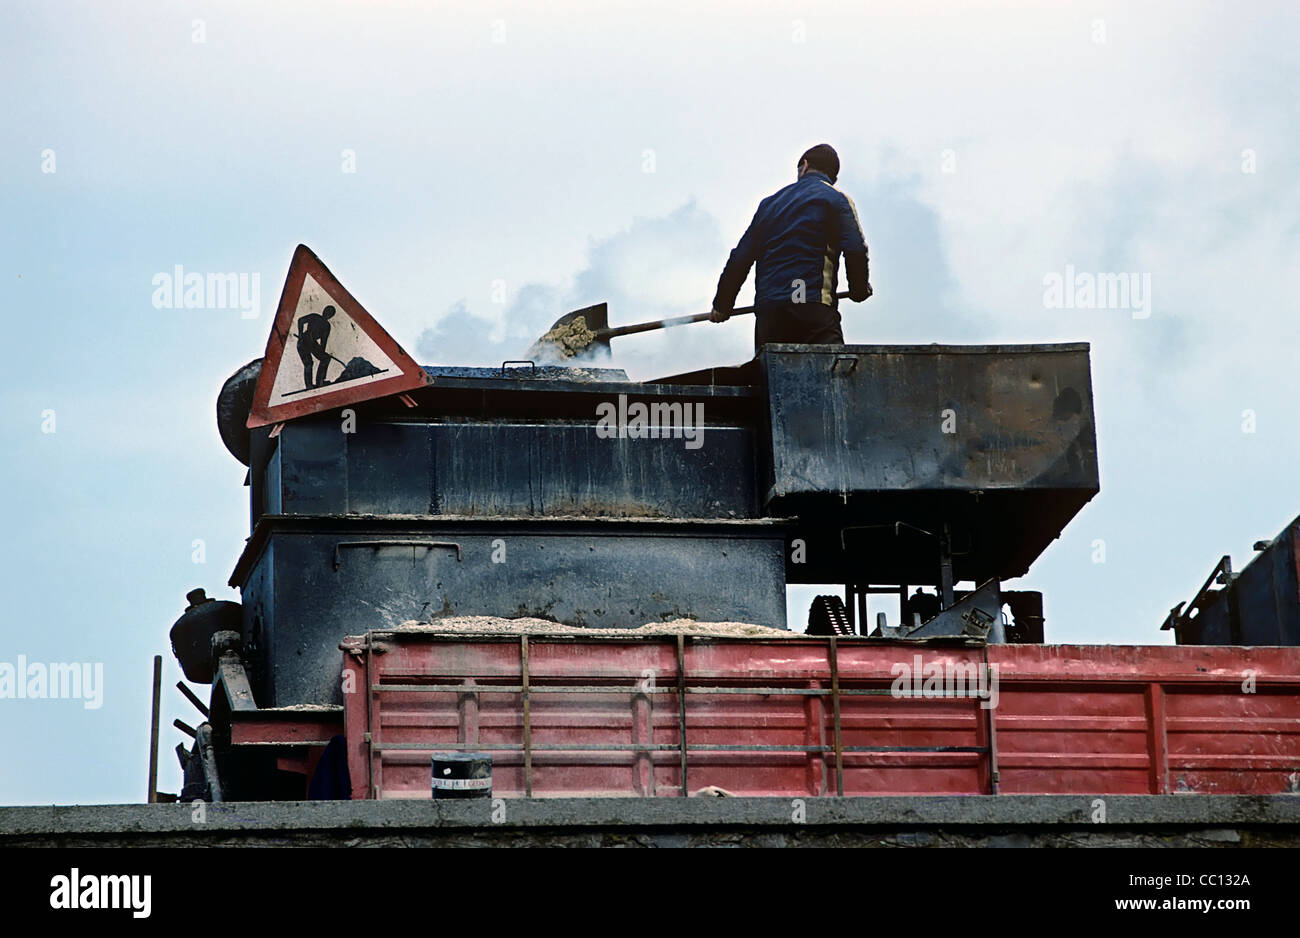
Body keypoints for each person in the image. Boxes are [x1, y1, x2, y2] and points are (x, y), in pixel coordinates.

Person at [710, 144, 871, 352]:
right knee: (831, 376)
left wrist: (722, 305)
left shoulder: (768, 205)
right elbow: (856, 249)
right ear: (833, 177)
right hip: (811, 305)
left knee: (775, 378)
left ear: (804, 166)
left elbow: (740, 259)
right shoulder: (836, 199)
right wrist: (859, 290)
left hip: (770, 314)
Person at [296, 305, 336, 389]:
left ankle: (320, 381)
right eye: (327, 311)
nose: (327, 314)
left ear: (331, 316)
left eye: (329, 313)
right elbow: (301, 320)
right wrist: (300, 334)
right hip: (304, 341)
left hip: (312, 343)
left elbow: (323, 342)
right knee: (309, 363)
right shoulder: (315, 316)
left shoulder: (327, 326)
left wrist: (322, 352)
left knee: (325, 358)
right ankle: (309, 385)